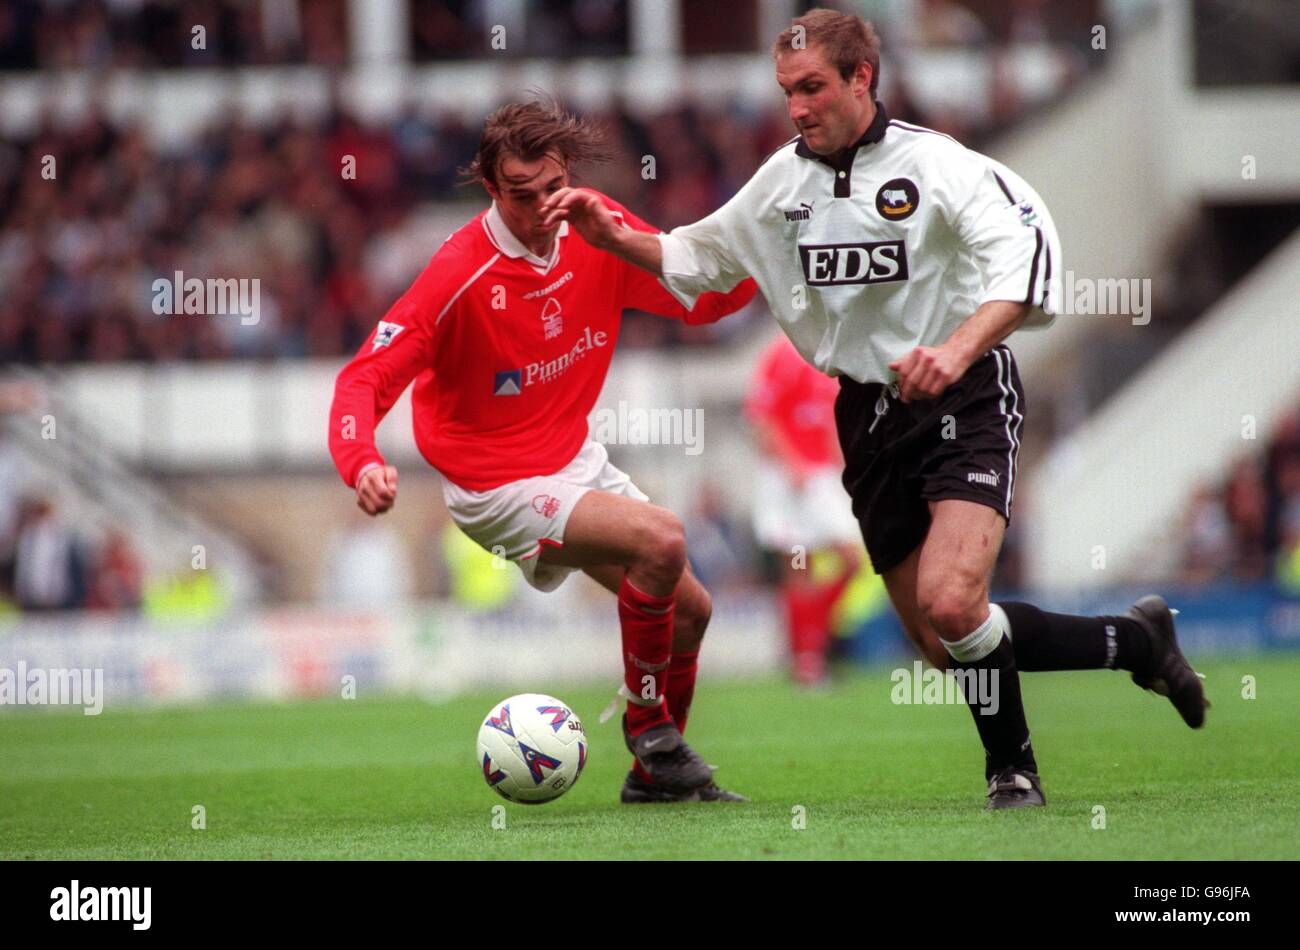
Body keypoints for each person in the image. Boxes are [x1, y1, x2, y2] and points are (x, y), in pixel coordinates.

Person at [543, 8, 1208, 810]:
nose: (796, 107)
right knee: (939, 645)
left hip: (964, 393)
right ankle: (1136, 641)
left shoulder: (939, 166)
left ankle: (1013, 770)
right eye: (787, 90)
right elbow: (693, 257)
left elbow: (1026, 259)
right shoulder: (777, 186)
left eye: (813, 87)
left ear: (863, 77)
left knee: (953, 601)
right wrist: (607, 231)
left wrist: (957, 351)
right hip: (866, 417)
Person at [328, 100, 757, 804]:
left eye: (550, 188)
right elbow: (364, 377)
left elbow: (702, 300)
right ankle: (647, 727)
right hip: (493, 483)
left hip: (573, 460)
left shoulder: (597, 228)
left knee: (692, 611)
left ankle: (656, 781)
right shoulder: (458, 272)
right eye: (520, 194)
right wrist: (362, 461)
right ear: (493, 190)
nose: (539, 207)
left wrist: (770, 262)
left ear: (568, 175)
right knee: (663, 538)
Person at [745, 334, 862, 686]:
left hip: (821, 476)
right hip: (789, 478)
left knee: (850, 559)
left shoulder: (831, 350)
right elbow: (762, 415)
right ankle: (807, 661)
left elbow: (828, 419)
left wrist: (844, 468)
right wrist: (790, 462)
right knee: (799, 566)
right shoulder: (783, 351)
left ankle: (809, 646)